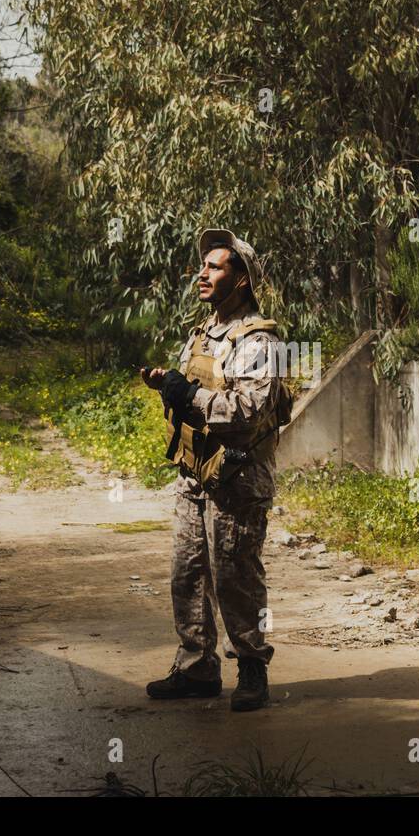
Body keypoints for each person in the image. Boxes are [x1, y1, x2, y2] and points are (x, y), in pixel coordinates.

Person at [139, 228, 287, 712]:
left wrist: (191, 396)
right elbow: (197, 391)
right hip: (194, 476)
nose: (203, 273)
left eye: (216, 266)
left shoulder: (260, 340)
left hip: (236, 481)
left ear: (241, 280)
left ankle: (252, 668)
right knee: (188, 575)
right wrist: (170, 386)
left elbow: (250, 411)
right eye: (203, 265)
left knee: (236, 577)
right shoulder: (203, 332)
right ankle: (197, 667)